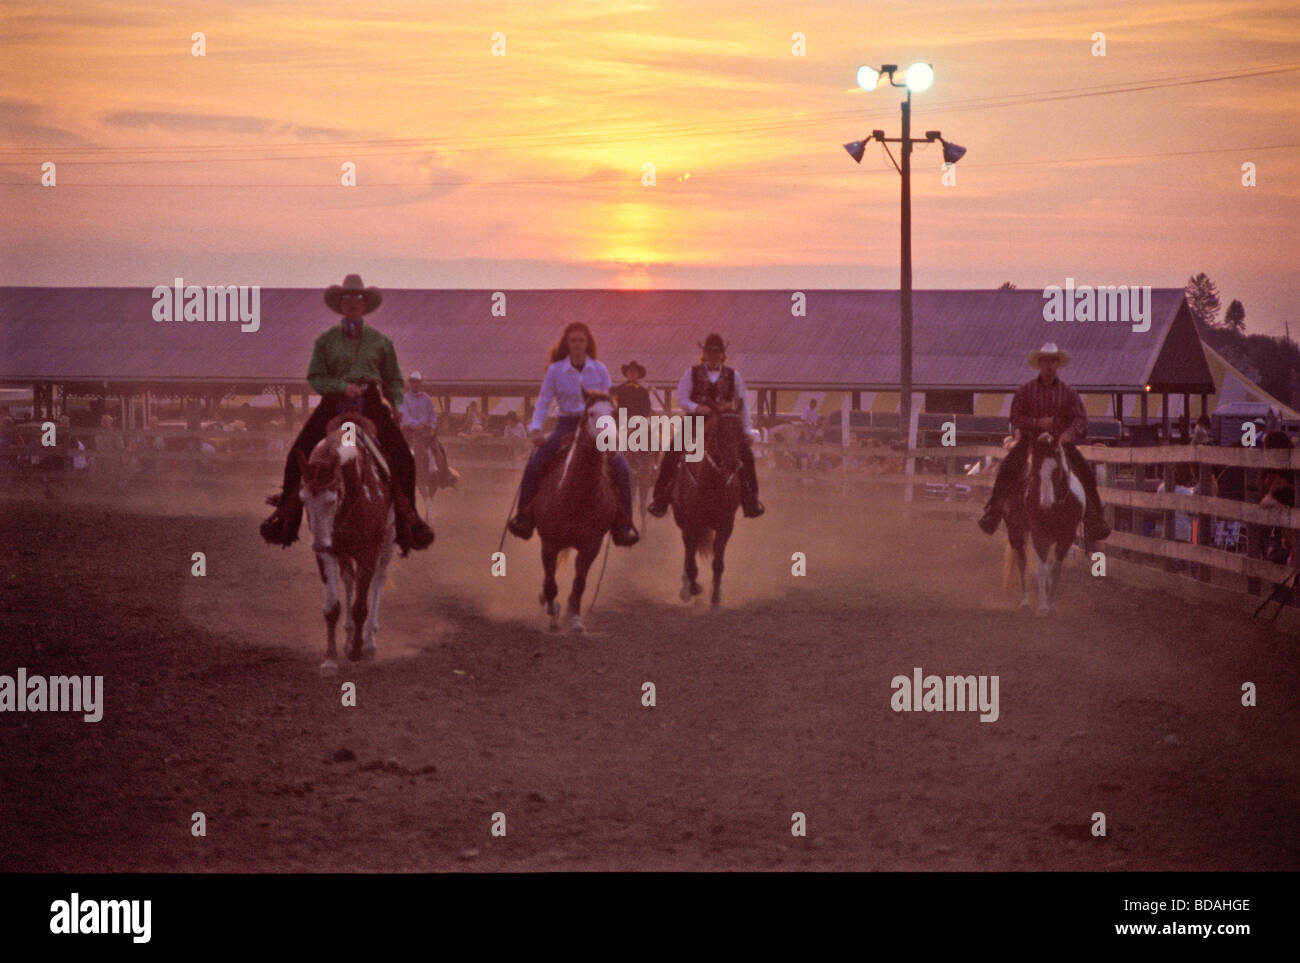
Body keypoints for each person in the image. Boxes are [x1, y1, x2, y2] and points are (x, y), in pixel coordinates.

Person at [259, 274, 434, 554]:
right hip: (334, 402)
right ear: (341, 305)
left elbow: (394, 379)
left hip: (372, 402)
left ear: (365, 305)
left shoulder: (380, 341)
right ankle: (285, 514)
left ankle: (410, 515)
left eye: (358, 299)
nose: (353, 303)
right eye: (348, 299)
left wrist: (397, 404)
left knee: (403, 455)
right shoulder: (325, 341)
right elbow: (315, 377)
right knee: (298, 452)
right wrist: (342, 386)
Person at [506, 322, 639, 546]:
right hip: (565, 426)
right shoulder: (555, 370)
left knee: (622, 468)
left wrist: (611, 433)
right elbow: (544, 401)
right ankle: (524, 517)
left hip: (594, 427)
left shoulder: (600, 369)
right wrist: (536, 429)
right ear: (567, 344)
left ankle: (623, 524)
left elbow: (607, 404)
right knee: (535, 462)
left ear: (588, 344)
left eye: (581, 340)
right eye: (573, 340)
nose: (577, 344)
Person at [977, 342, 1110, 542]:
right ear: (1039, 364)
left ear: (1058, 365)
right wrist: (1037, 423)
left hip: (1059, 443)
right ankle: (993, 512)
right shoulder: (1026, 391)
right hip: (1030, 441)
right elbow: (1015, 417)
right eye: (1045, 361)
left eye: (1052, 361)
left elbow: (1081, 420)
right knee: (1008, 467)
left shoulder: (1068, 393)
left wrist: (1069, 433)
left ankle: (1094, 518)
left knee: (1084, 471)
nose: (1048, 365)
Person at [647, 332, 765, 519]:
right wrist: (696, 407)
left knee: (746, 456)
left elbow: (743, 405)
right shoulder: (691, 373)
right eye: (710, 351)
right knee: (671, 454)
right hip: (696, 421)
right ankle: (660, 499)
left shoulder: (734, 376)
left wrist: (746, 430)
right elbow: (682, 399)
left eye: (717, 352)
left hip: (726, 424)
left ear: (722, 354)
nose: (713, 355)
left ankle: (751, 500)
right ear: (704, 353)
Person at [399, 371, 456, 489]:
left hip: (426, 433)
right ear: (410, 383)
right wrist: (416, 425)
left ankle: (445, 476)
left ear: (420, 383)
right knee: (402, 452)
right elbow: (405, 417)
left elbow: (432, 414)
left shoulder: (427, 399)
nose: (416, 384)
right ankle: (399, 476)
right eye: (413, 382)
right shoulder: (405, 399)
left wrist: (433, 424)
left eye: (418, 382)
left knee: (441, 448)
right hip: (410, 433)